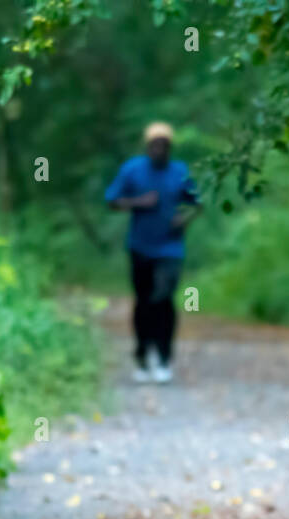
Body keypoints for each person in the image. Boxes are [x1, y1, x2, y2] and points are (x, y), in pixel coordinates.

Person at [104, 121, 201, 383]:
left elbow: (198, 202)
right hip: (140, 247)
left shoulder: (179, 172)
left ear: (170, 148)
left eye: (164, 145)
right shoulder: (132, 170)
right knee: (144, 301)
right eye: (155, 144)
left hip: (170, 248)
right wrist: (139, 202)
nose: (159, 149)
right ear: (147, 147)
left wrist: (185, 219)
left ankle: (164, 356)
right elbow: (111, 200)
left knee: (164, 297)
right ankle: (142, 354)